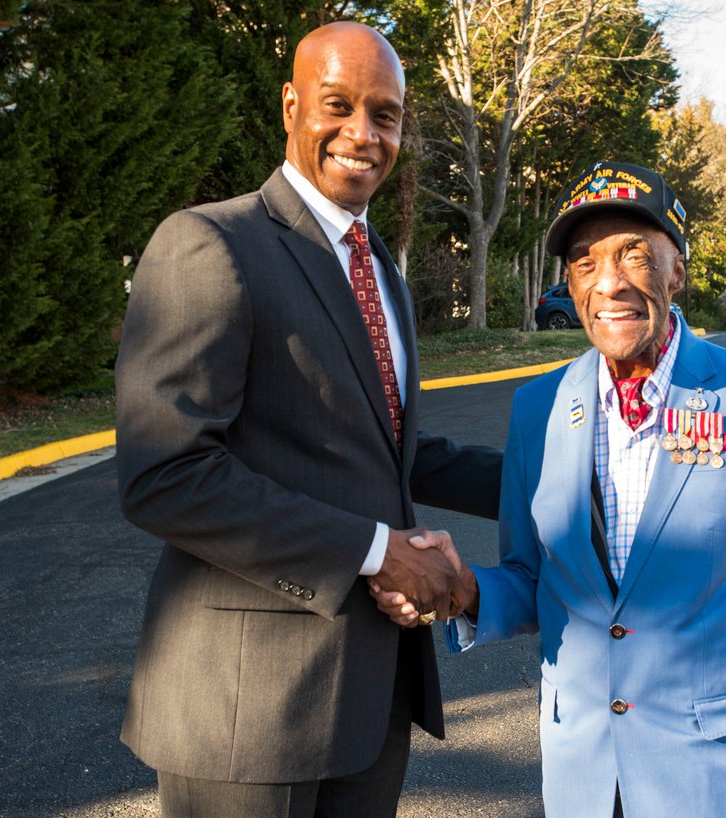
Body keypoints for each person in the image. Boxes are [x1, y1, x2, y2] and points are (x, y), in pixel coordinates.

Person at [115, 21, 499, 818]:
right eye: (338, 105)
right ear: (291, 106)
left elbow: (388, 448)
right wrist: (376, 551)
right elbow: (167, 475)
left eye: (385, 115)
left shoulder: (378, 267)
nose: (363, 134)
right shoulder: (210, 244)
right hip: (247, 715)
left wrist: (569, 478)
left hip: (368, 702)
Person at [373, 161, 726, 817]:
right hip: (583, 774)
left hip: (717, 770)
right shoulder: (539, 408)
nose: (608, 282)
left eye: (633, 254)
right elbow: (533, 577)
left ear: (677, 269)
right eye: (584, 262)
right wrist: (465, 588)